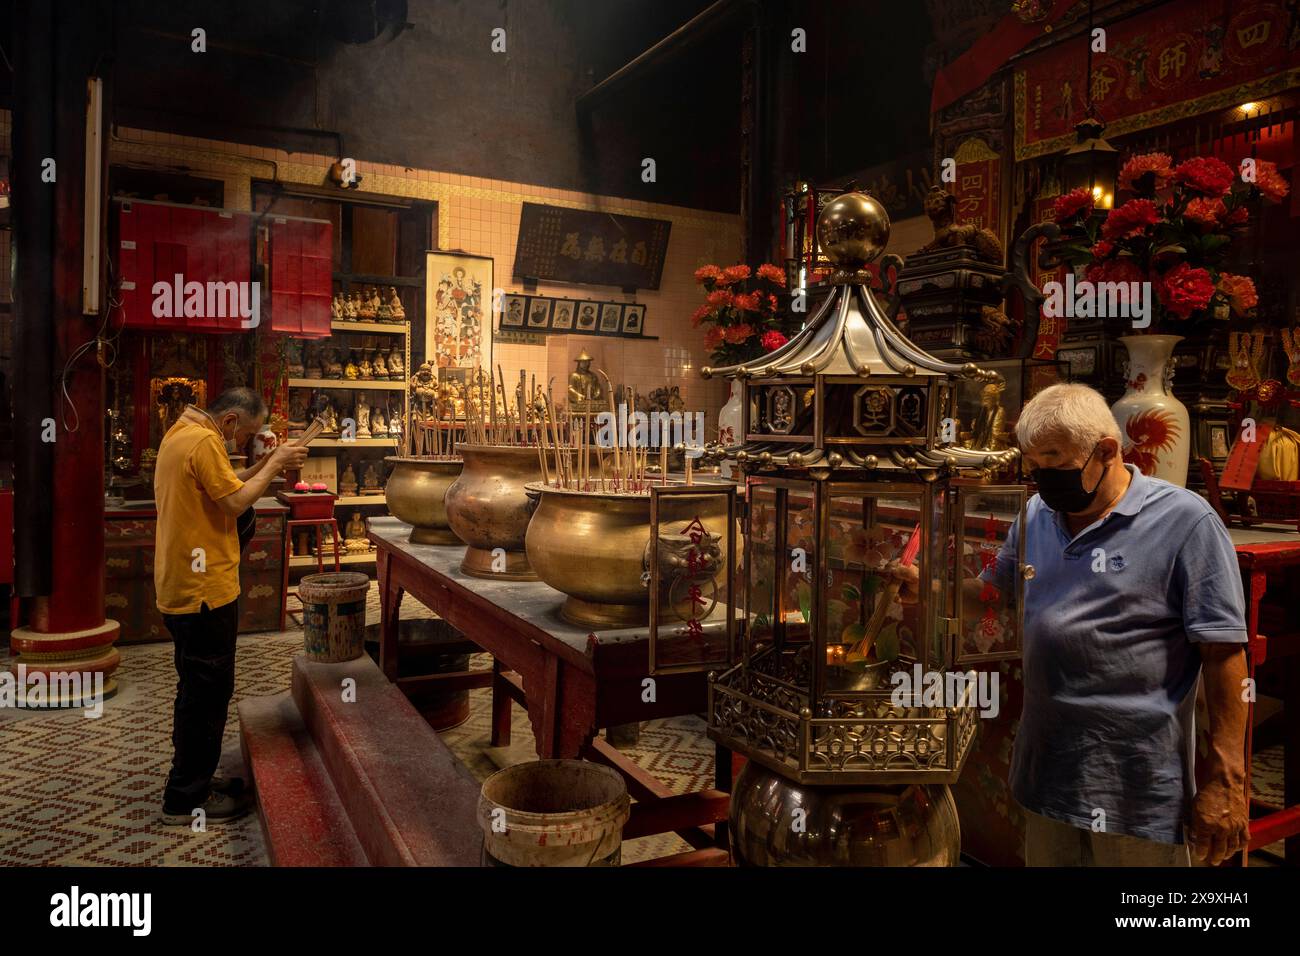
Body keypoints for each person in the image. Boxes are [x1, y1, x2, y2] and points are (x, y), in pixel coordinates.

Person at [891, 383, 1248, 866]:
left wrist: (1227, 778)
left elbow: (1223, 651)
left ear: (1106, 451)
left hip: (1135, 788)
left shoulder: (1185, 521)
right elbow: (999, 593)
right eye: (1033, 465)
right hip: (1050, 774)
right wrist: (930, 587)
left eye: (1055, 463)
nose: (1042, 479)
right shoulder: (1037, 514)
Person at [154, 387, 309, 825]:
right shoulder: (203, 441)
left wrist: (269, 467)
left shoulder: (182, 433)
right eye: (248, 436)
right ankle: (184, 800)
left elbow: (229, 485)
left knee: (197, 690)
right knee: (205, 695)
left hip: (183, 585)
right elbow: (236, 501)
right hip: (204, 592)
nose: (245, 445)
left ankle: (195, 780)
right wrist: (276, 463)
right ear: (229, 422)